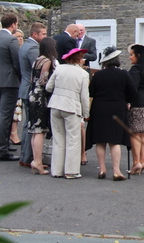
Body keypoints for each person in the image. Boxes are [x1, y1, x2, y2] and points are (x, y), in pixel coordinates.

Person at [86, 47, 135, 180]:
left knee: (100, 141)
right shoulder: (124, 74)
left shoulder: (98, 75)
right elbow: (132, 92)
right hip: (117, 109)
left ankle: (102, 169)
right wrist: (128, 101)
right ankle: (116, 171)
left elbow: (91, 92)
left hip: (100, 108)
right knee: (115, 141)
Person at [46, 47, 90, 178]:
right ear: (78, 59)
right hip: (72, 107)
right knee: (73, 139)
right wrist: (86, 113)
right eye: (82, 58)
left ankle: (56, 170)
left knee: (58, 138)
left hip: (55, 104)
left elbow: (48, 87)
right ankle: (71, 171)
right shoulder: (83, 74)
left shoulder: (59, 69)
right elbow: (84, 97)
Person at [0, 13, 22, 161]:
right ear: (13, 24)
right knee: (5, 116)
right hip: (9, 81)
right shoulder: (11, 40)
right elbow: (17, 63)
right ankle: (2, 150)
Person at [26, 37, 57, 175]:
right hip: (41, 98)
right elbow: (44, 81)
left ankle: (36, 159)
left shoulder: (37, 60)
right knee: (40, 130)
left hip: (32, 94)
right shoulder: (48, 61)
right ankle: (37, 161)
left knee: (34, 129)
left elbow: (33, 79)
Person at [18, 22, 47, 168]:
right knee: (32, 125)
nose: (45, 37)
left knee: (27, 124)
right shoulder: (33, 48)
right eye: (43, 34)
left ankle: (26, 155)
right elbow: (38, 69)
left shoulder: (24, 46)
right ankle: (28, 157)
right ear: (35, 34)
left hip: (24, 87)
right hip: (31, 90)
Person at [9, 29, 25, 147]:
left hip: (20, 83)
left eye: (21, 37)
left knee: (18, 108)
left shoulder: (22, 50)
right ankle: (13, 133)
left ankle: (13, 132)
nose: (20, 38)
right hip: (15, 82)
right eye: (17, 36)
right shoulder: (14, 51)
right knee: (15, 108)